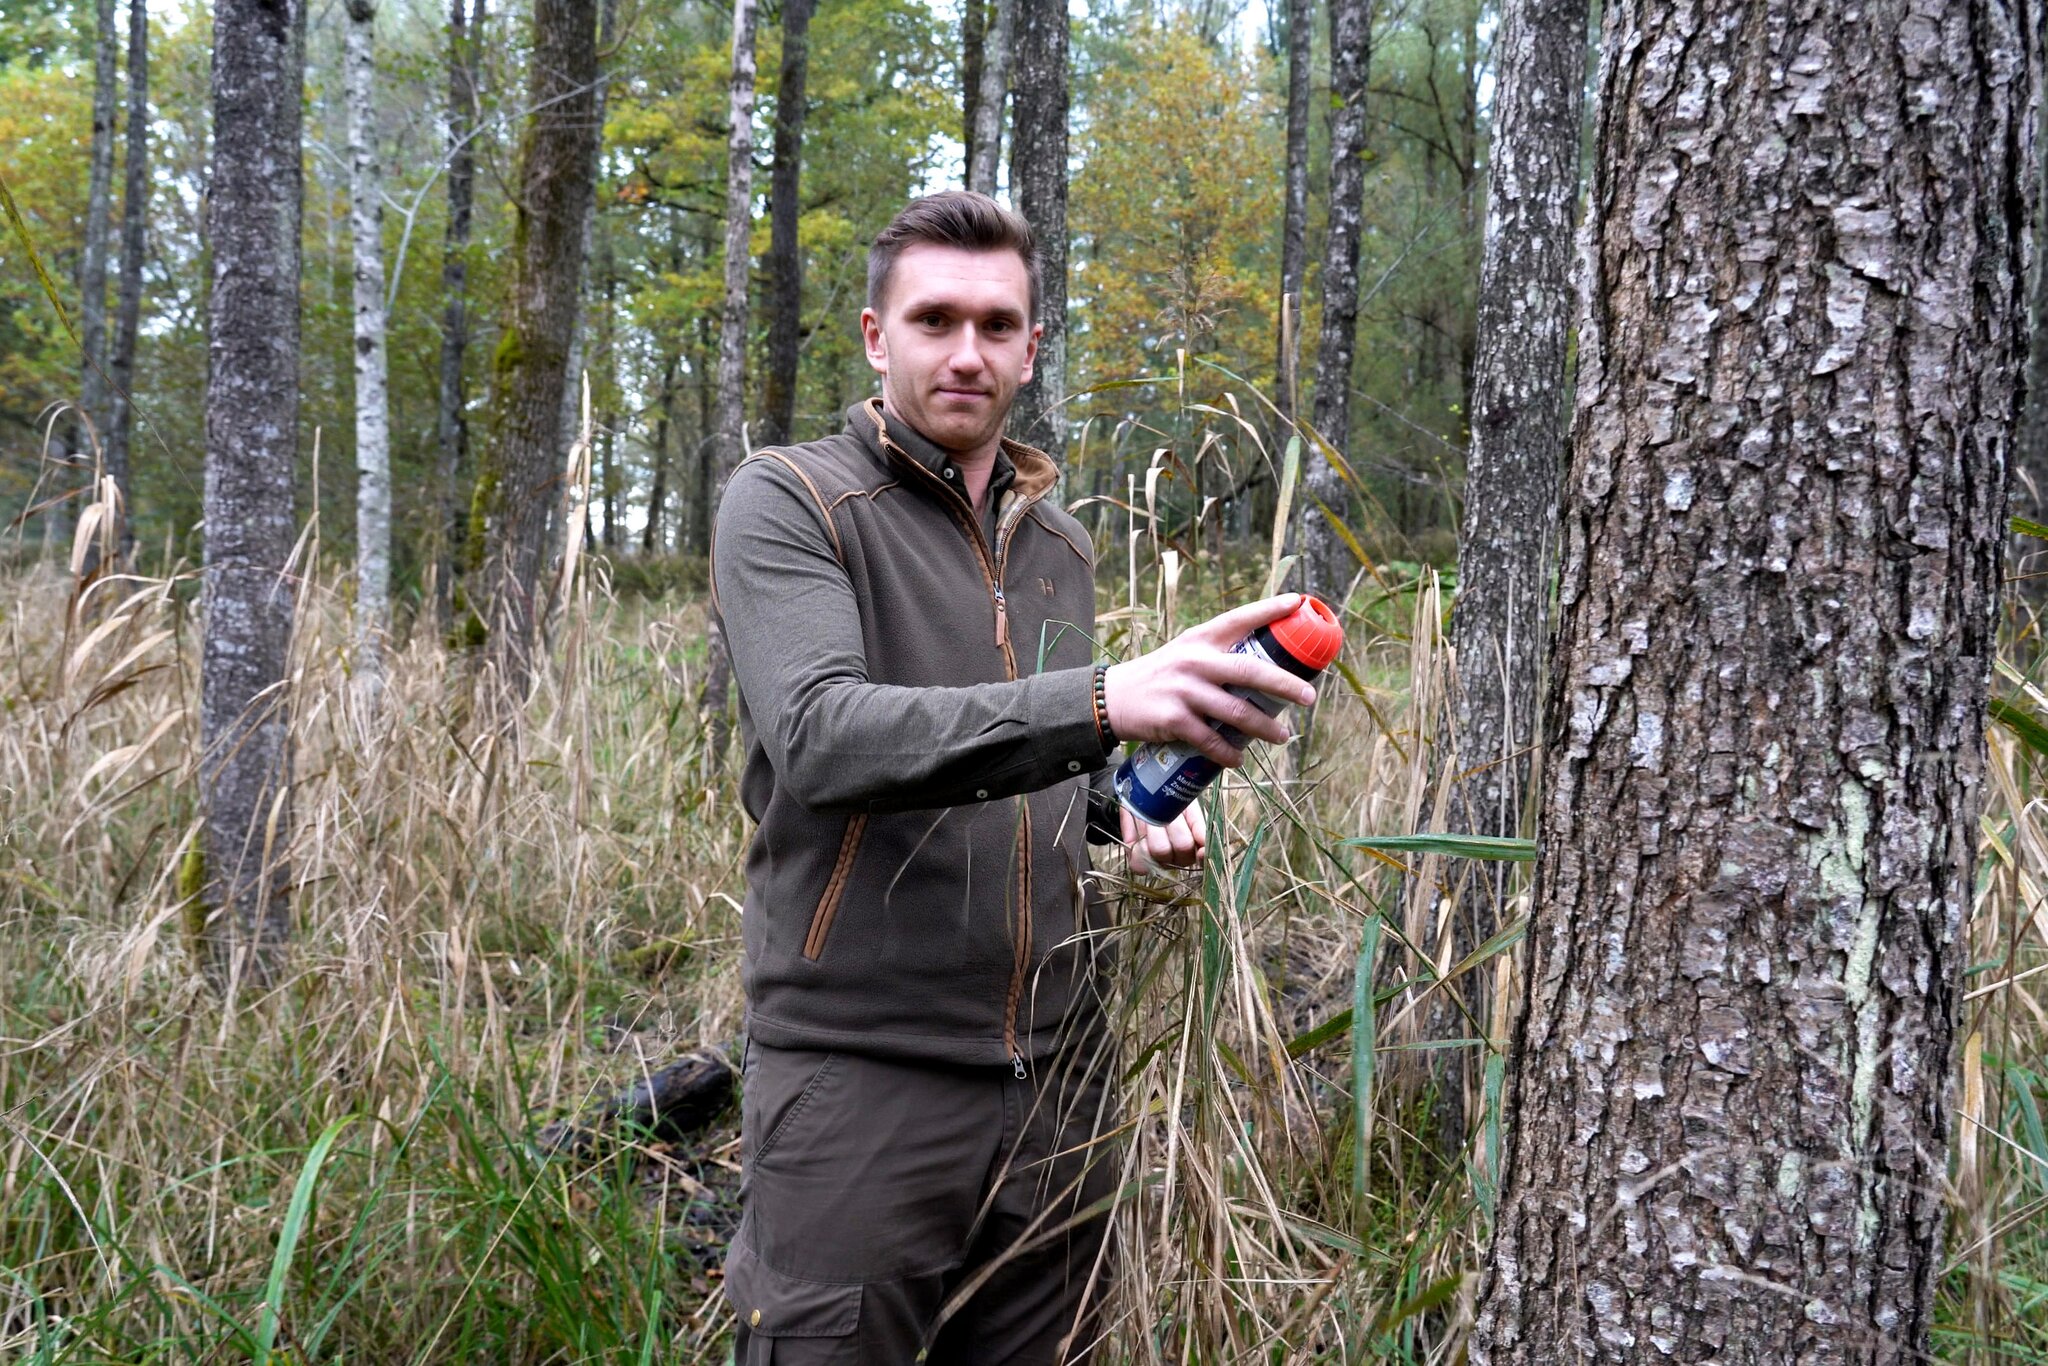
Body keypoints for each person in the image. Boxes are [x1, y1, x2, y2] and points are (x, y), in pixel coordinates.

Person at [712, 190, 1318, 1364]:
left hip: (1055, 1086)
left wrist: (1124, 809)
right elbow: (823, 736)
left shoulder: (1059, 547)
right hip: (861, 1077)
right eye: (933, 320)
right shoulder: (792, 501)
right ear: (875, 336)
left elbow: (1026, 770)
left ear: (1032, 349)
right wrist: (1097, 701)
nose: (966, 352)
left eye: (998, 326)